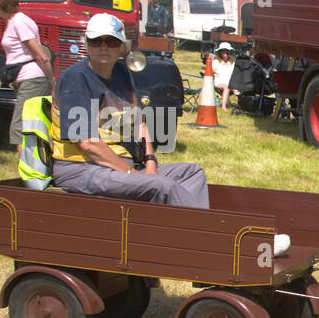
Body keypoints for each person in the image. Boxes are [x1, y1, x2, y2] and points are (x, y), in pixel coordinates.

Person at [52, 13, 210, 208]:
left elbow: (140, 123)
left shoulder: (122, 73)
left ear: (122, 46)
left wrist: (150, 162)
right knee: (163, 186)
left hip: (121, 166)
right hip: (82, 169)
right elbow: (88, 144)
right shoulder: (76, 79)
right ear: (86, 43)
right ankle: (189, 233)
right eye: (95, 41)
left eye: (111, 41)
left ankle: (192, 229)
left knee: (192, 172)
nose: (103, 46)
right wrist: (134, 175)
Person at [0, 0, 53, 155]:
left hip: (33, 78)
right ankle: (32, 163)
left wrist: (52, 82)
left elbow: (41, 55)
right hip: (25, 79)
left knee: (21, 124)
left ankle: (28, 166)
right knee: (28, 123)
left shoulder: (20, 22)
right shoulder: (14, 21)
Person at [211, 42, 237, 113]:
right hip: (219, 82)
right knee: (226, 87)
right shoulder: (216, 62)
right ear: (220, 52)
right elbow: (210, 71)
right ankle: (223, 106)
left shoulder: (233, 62)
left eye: (226, 51)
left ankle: (240, 105)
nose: (225, 52)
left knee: (236, 88)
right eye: (223, 51)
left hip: (231, 82)